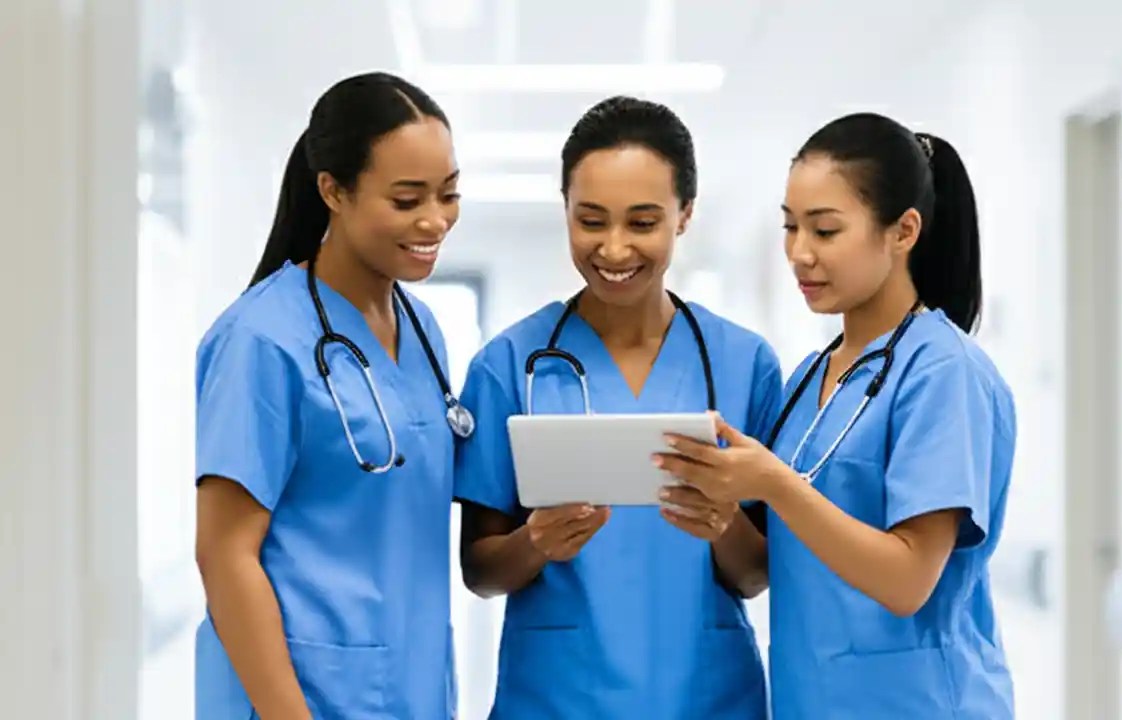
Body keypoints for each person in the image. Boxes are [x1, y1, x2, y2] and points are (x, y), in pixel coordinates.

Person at [656, 113, 1016, 719]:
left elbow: (907, 581)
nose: (800, 254)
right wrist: (715, 507)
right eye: (791, 228)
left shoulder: (943, 371)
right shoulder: (809, 381)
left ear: (903, 232)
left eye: (825, 231)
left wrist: (773, 481)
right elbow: (768, 566)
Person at [453, 95, 781, 719]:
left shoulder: (744, 363)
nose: (614, 248)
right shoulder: (509, 363)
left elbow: (756, 574)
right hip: (557, 699)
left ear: (684, 215)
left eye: (643, 221)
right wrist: (537, 542)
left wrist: (724, 523)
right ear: (566, 212)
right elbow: (480, 570)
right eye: (591, 219)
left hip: (706, 697)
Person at [193, 71, 466, 719]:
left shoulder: (424, 332)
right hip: (302, 696)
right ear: (333, 191)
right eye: (406, 200)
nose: (435, 220)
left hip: (412, 689)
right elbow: (225, 553)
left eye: (449, 194)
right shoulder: (262, 338)